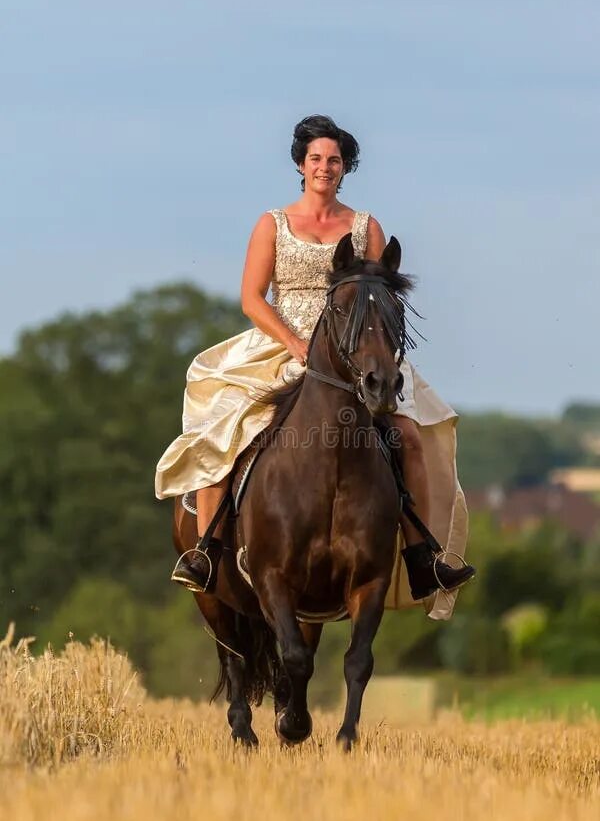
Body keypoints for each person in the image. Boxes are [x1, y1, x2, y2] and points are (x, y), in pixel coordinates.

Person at [155, 114, 474, 615]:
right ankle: (207, 551)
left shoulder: (366, 226)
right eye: (316, 159)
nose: (325, 167)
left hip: (357, 349)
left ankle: (421, 555)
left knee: (409, 436)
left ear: (345, 169)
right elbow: (252, 298)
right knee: (223, 430)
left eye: (334, 160)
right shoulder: (273, 224)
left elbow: (381, 294)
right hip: (282, 344)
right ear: (301, 166)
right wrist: (295, 342)